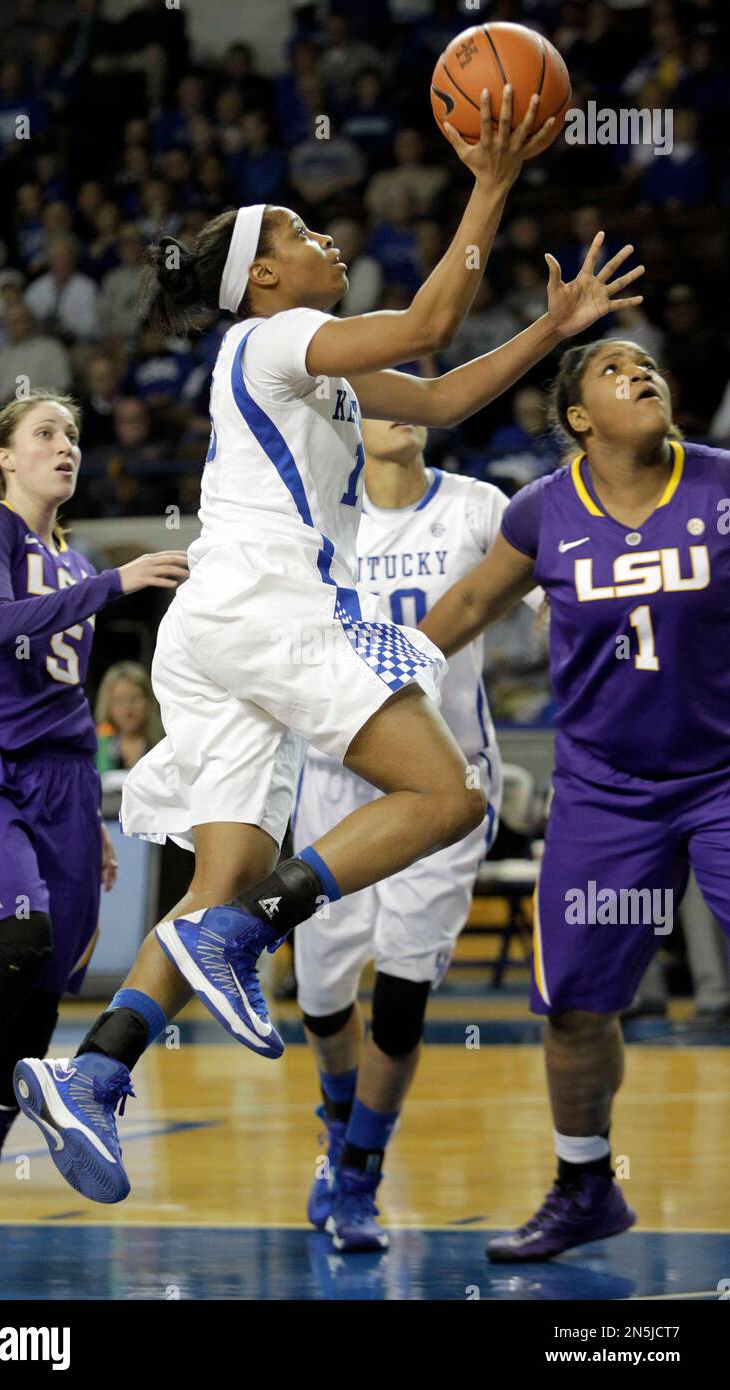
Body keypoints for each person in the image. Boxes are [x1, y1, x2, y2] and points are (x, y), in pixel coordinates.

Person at [10, 91, 642, 1212]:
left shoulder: (309, 365)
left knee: (222, 877)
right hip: (266, 604)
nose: (326, 239)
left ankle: (93, 1071)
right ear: (259, 277)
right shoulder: (275, 337)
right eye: (301, 235)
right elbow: (429, 329)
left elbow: (440, 391)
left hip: (220, 626)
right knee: (445, 793)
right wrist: (492, 182)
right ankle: (246, 937)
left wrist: (551, 330)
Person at [417, 338, 730, 1261]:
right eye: (613, 370)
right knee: (574, 1009)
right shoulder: (543, 511)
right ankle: (585, 1185)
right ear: (579, 419)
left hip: (720, 779)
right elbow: (469, 606)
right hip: (605, 792)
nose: (643, 373)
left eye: (649, 365)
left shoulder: (719, 482)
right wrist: (372, 685)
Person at [0, 390, 188, 1286]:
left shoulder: (67, 557)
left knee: (33, 1017)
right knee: (10, 939)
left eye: (73, 435)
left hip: (63, 785)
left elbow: (64, 693)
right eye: (46, 434)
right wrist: (118, 582)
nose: (65, 446)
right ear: (5, 454)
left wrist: (88, 825)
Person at [293, 414, 540, 1251]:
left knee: (400, 999)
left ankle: (359, 1173)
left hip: (446, 784)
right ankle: (337, 1127)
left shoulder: (476, 507)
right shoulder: (313, 517)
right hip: (333, 783)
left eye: (410, 392)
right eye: (374, 396)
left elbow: (555, 591)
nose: (396, 407)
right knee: (323, 998)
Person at [94, 661, 162, 774]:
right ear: (107, 705)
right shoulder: (98, 748)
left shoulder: (164, 744)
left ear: (149, 700)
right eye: (119, 701)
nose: (127, 709)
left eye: (134, 699)